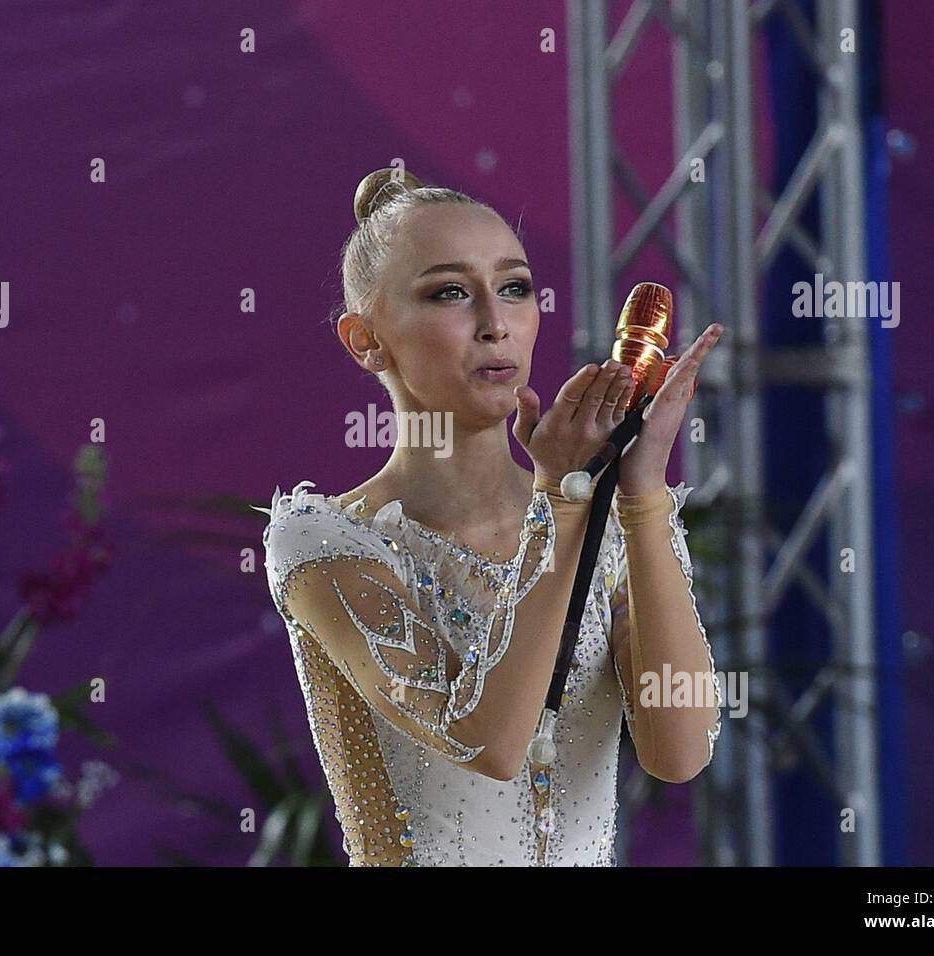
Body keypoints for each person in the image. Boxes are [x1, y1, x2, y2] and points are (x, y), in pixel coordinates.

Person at [256, 168, 724, 866]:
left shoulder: (616, 521)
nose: (495, 322)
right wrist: (561, 503)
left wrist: (644, 495)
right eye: (450, 292)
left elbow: (679, 750)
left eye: (514, 287)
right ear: (365, 339)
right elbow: (487, 741)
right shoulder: (324, 541)